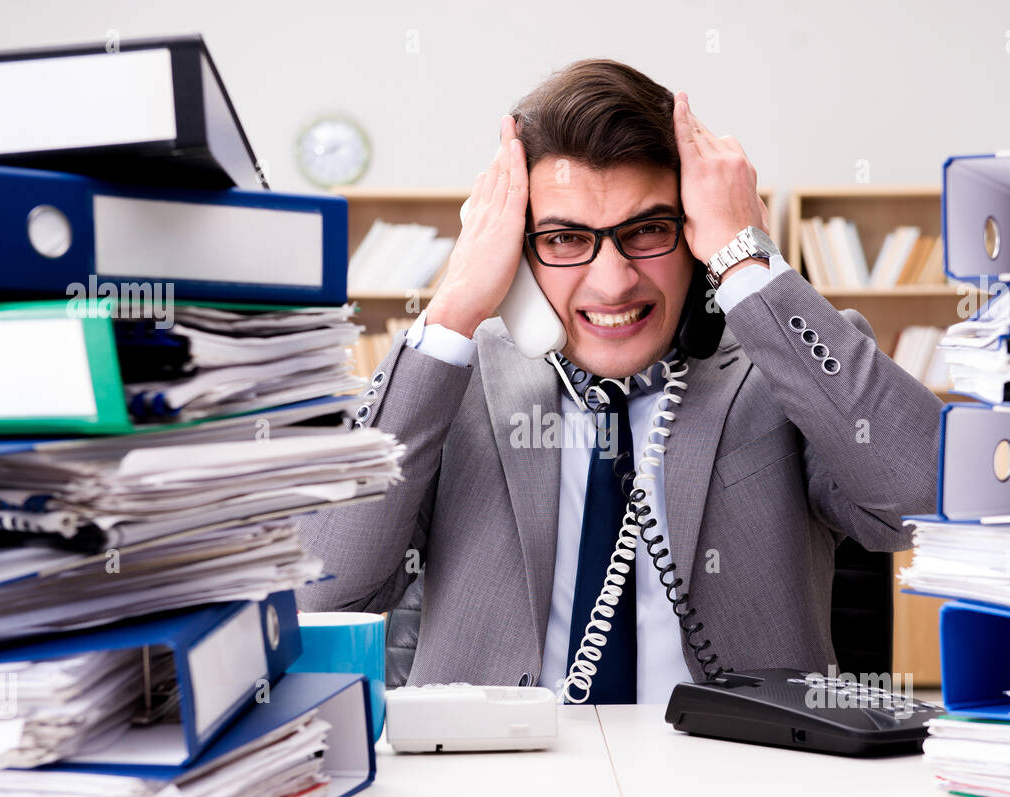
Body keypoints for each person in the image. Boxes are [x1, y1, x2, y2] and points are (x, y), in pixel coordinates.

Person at [297, 59, 942, 704]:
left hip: (746, 783)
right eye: (564, 238)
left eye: (649, 230)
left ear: (693, 234)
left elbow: (924, 501)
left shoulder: (782, 365)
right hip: (490, 784)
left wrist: (747, 262)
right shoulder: (452, 382)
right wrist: (454, 308)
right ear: (516, 252)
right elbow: (322, 589)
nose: (613, 282)